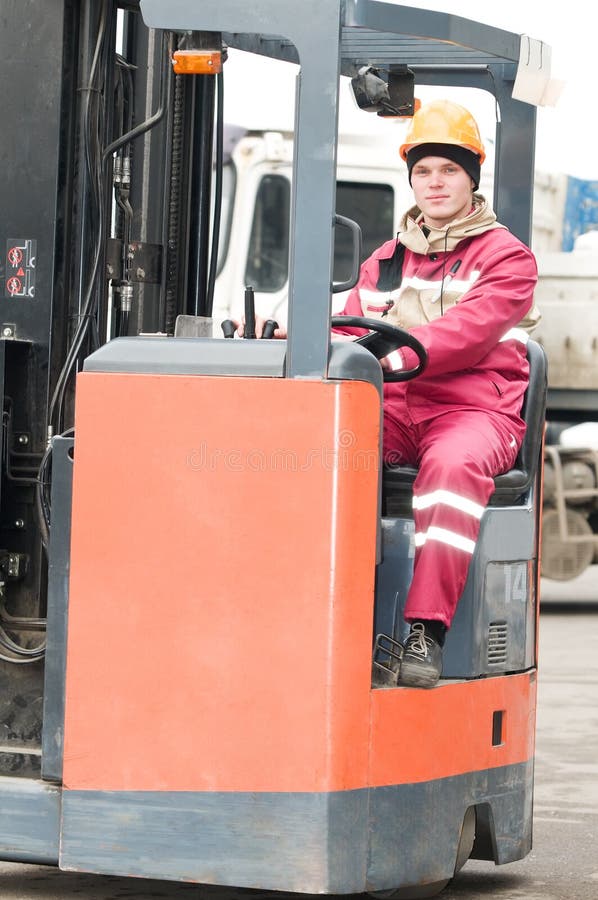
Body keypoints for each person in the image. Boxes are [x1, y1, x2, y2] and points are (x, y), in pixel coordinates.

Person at [333, 99, 540, 687]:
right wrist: (290, 336)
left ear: (472, 176)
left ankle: (426, 632)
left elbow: (467, 335)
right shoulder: (387, 260)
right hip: (397, 407)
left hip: (474, 408)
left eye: (448, 169)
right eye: (423, 171)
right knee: (319, 449)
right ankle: (320, 613)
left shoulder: (506, 257)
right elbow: (351, 327)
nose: (435, 182)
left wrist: (395, 354)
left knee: (450, 469)